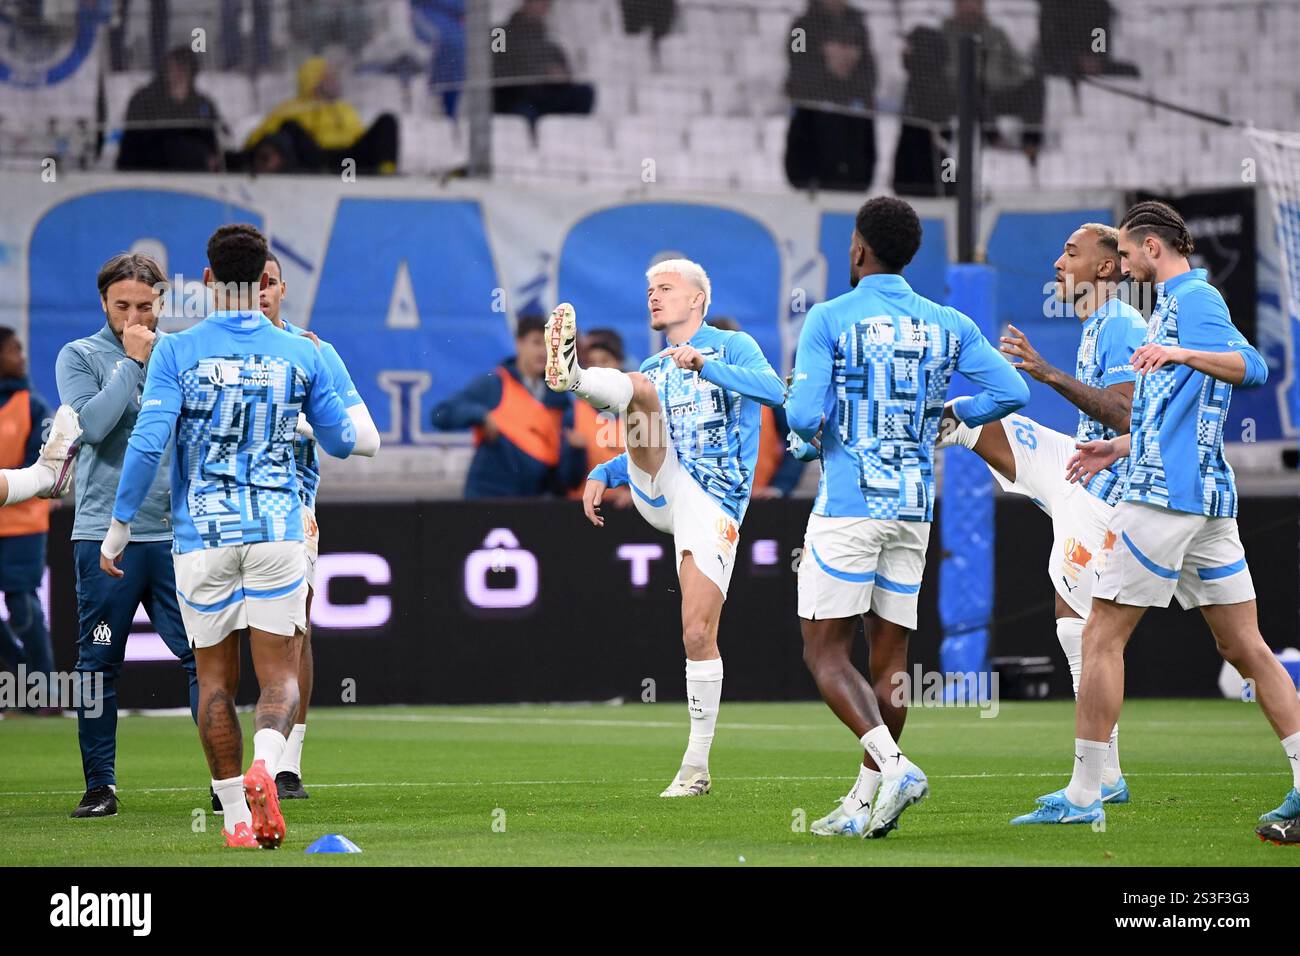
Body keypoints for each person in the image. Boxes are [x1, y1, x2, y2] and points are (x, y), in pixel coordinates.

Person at [1018, 201, 1300, 833]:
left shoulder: (1193, 299)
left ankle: (1089, 790)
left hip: (1163, 498)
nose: (1123, 263)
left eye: (1126, 250)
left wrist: (1181, 354)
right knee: (1244, 646)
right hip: (1203, 500)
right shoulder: (1169, 309)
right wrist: (1118, 445)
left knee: (1099, 637)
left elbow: (1254, 366)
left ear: (1150, 249)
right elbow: (1166, 413)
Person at [100, 224, 376, 849]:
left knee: (214, 681)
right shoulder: (301, 352)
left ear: (205, 281)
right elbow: (342, 441)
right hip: (278, 528)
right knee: (279, 674)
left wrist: (117, 531)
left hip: (202, 536)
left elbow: (147, 445)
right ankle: (267, 762)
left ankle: (234, 821)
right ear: (263, 283)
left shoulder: (175, 350)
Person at [785, 196, 1029, 838]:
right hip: (915, 506)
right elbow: (1013, 392)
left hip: (849, 505)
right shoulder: (948, 322)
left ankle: (895, 768)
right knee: (888, 655)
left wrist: (808, 431)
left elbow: (804, 418)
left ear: (858, 250)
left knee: (824, 651)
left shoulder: (830, 318)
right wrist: (955, 416)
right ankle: (866, 803)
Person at [546, 260, 786, 797]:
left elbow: (775, 393)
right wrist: (602, 472)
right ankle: (576, 376)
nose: (653, 297)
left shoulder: (732, 347)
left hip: (714, 501)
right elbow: (647, 433)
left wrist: (706, 365)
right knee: (640, 391)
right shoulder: (653, 365)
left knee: (698, 633)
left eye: (666, 289)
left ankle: (695, 768)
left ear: (698, 298)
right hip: (658, 486)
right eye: (649, 289)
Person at [937, 224, 1147, 818]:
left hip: (1109, 489)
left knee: (1079, 624)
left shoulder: (1124, 325)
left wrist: (1047, 373)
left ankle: (1097, 783)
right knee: (969, 421)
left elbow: (1127, 411)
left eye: (1072, 254)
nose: (1058, 262)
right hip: (1082, 468)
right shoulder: (1101, 324)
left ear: (1106, 270)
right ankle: (1106, 775)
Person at [56, 254, 205, 818]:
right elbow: (92, 426)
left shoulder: (182, 353)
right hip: (101, 538)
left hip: (176, 537)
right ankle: (100, 787)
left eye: (146, 306)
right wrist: (131, 363)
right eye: (123, 306)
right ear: (104, 303)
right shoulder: (81, 355)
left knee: (201, 658)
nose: (134, 316)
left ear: (162, 303)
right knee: (96, 663)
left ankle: (224, 785)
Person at [257, 252, 379, 798]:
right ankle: (225, 779)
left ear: (284, 288)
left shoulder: (313, 350)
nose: (260, 292)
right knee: (212, 646)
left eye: (270, 283)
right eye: (249, 282)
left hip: (290, 508)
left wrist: (303, 424)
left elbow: (366, 436)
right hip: (211, 513)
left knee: (292, 633)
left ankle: (285, 767)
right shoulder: (200, 348)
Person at [431, 315, 577, 499]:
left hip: (535, 503)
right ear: (519, 343)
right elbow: (440, 415)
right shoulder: (495, 384)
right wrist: (480, 415)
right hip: (490, 498)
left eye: (550, 345)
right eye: (537, 342)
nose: (543, 352)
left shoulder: (560, 399)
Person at [0, 329, 59, 709]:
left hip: (23, 523)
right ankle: (25, 682)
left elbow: (43, 466)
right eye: (13, 349)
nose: (21, 355)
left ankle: (46, 693)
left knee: (22, 603)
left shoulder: (33, 406)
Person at [243, 57, 399, 175]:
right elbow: (261, 137)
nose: (335, 82)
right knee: (290, 126)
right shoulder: (290, 108)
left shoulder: (343, 108)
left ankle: (385, 174)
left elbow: (358, 136)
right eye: (328, 78)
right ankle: (315, 175)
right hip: (317, 161)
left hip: (348, 164)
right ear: (314, 80)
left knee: (387, 121)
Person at [784, 0, 877, 191]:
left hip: (852, 127)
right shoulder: (801, 28)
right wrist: (829, 69)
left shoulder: (858, 25)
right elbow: (796, 63)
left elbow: (869, 73)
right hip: (813, 125)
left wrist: (847, 75)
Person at [941, 0, 1044, 158]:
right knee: (977, 86)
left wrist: (1007, 81)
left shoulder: (996, 34)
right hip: (961, 96)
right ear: (956, 7)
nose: (970, 8)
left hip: (997, 93)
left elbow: (1017, 66)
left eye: (974, 4)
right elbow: (941, 69)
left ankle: (1031, 141)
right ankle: (993, 138)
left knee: (1035, 84)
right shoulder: (943, 35)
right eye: (965, 4)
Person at [116, 46, 222, 173]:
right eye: (173, 66)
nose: (177, 72)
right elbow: (134, 140)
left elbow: (214, 138)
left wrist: (212, 157)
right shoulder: (144, 100)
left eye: (183, 68)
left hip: (194, 172)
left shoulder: (203, 104)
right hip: (149, 167)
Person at [492, 0, 595, 124]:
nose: (542, 8)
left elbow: (567, 75)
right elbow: (495, 68)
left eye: (546, 4)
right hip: (514, 94)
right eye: (538, 3)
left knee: (585, 92)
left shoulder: (551, 44)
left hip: (545, 94)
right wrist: (538, 74)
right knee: (525, 109)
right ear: (526, 4)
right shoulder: (500, 34)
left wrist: (560, 76)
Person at [567, 329, 629, 507]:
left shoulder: (638, 411)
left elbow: (653, 468)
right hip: (582, 509)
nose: (599, 369)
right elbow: (566, 479)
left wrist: (632, 493)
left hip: (630, 511)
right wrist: (576, 453)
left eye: (605, 361)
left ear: (619, 363)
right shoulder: (574, 413)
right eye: (592, 363)